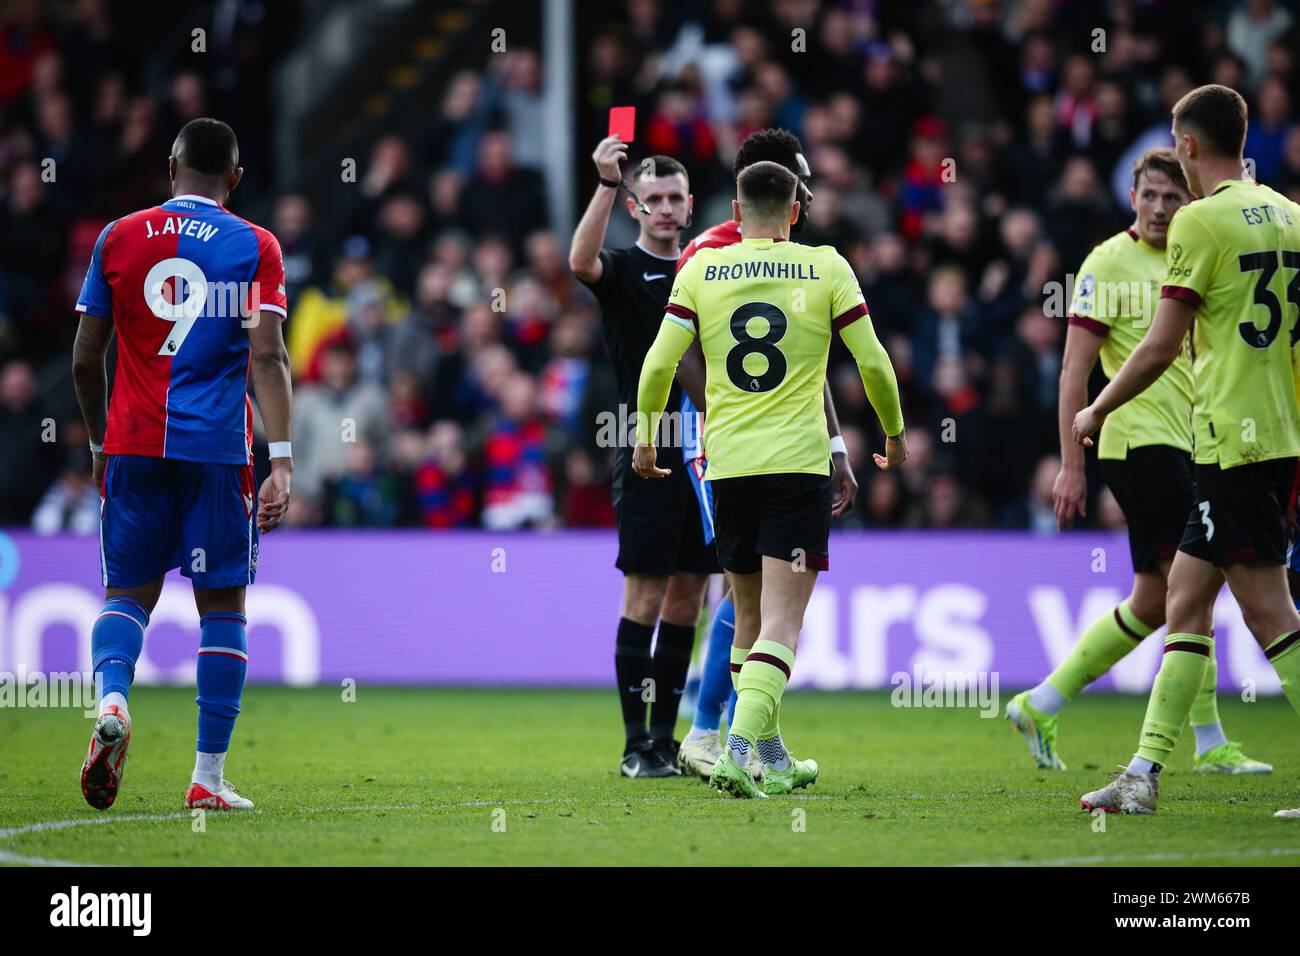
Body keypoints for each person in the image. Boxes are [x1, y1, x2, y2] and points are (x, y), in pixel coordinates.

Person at [634, 161, 906, 798]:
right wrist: (892, 432)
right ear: (792, 210)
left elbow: (659, 363)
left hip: (727, 467)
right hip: (796, 465)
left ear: (735, 207)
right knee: (782, 625)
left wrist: (646, 434)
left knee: (749, 618)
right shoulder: (828, 265)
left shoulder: (701, 267)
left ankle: (770, 756)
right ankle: (735, 749)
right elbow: (873, 361)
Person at [1072, 85, 1300, 816]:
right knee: (1185, 599)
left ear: (1190, 145)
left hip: (1234, 440)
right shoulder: (1293, 217)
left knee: (1270, 614)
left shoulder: (1200, 223)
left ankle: (1143, 775)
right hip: (1273, 434)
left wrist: (1099, 406)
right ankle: (1142, 776)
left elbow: (1161, 343)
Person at [1007, 148, 1270, 775]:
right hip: (1138, 446)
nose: (1158, 208)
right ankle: (1208, 744)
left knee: (1158, 600)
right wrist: (1073, 464)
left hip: (1194, 442)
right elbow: (1074, 370)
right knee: (1199, 588)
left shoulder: (1199, 251)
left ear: (1190, 201)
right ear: (1132, 197)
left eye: (1171, 198)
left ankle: (1042, 701)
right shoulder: (1106, 262)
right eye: (1149, 195)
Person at [71, 117, 292, 812]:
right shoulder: (255, 245)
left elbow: (83, 358)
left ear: (170, 166)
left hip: (132, 446)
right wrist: (281, 460)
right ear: (235, 178)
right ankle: (207, 778)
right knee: (222, 606)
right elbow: (268, 357)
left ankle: (112, 699)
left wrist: (98, 441)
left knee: (126, 595)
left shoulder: (118, 236)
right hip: (216, 451)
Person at [674, 128, 859, 781]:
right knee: (749, 593)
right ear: (765, 186)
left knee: (752, 593)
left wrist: (835, 441)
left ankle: (762, 746)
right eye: (799, 182)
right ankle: (708, 733)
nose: (807, 194)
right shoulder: (708, 254)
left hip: (784, 435)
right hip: (721, 436)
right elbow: (683, 353)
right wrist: (725, 411)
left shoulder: (790, 254)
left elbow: (809, 369)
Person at [569, 137, 715, 778]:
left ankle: (666, 740)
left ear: (690, 205)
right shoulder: (626, 270)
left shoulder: (710, 271)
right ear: (634, 207)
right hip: (647, 446)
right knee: (646, 598)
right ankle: (635, 746)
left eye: (673, 197)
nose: (663, 207)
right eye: (651, 198)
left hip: (708, 452)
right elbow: (579, 262)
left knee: (689, 600)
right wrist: (604, 183)